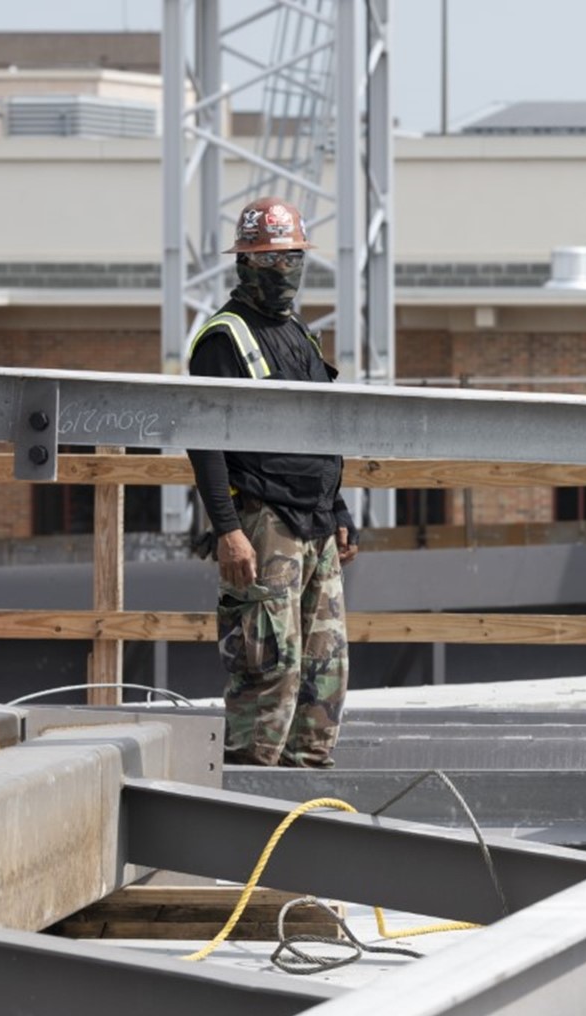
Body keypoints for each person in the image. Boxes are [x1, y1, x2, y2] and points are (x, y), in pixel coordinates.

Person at [187, 196, 358, 768]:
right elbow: (204, 441)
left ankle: (306, 786)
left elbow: (318, 432)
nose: (283, 271)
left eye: (292, 259)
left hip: (314, 523)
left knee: (324, 670)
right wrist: (228, 530)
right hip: (264, 523)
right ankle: (248, 787)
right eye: (270, 260)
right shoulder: (225, 338)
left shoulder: (299, 334)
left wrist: (338, 511)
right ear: (244, 263)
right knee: (268, 667)